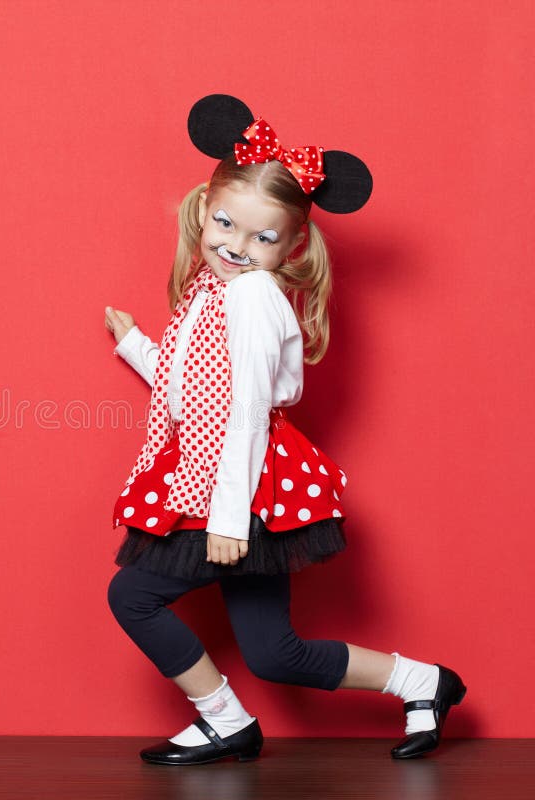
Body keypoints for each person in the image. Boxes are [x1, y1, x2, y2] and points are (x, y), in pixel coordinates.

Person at [103, 95, 466, 765]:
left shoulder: (251, 297)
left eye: (262, 237)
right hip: (230, 476)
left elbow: (245, 409)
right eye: (225, 224)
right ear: (203, 208)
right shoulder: (212, 292)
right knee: (274, 652)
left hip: (239, 483)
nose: (237, 246)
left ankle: (223, 718)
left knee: (133, 595)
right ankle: (424, 682)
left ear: (292, 242)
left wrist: (229, 518)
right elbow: (202, 390)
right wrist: (140, 350)